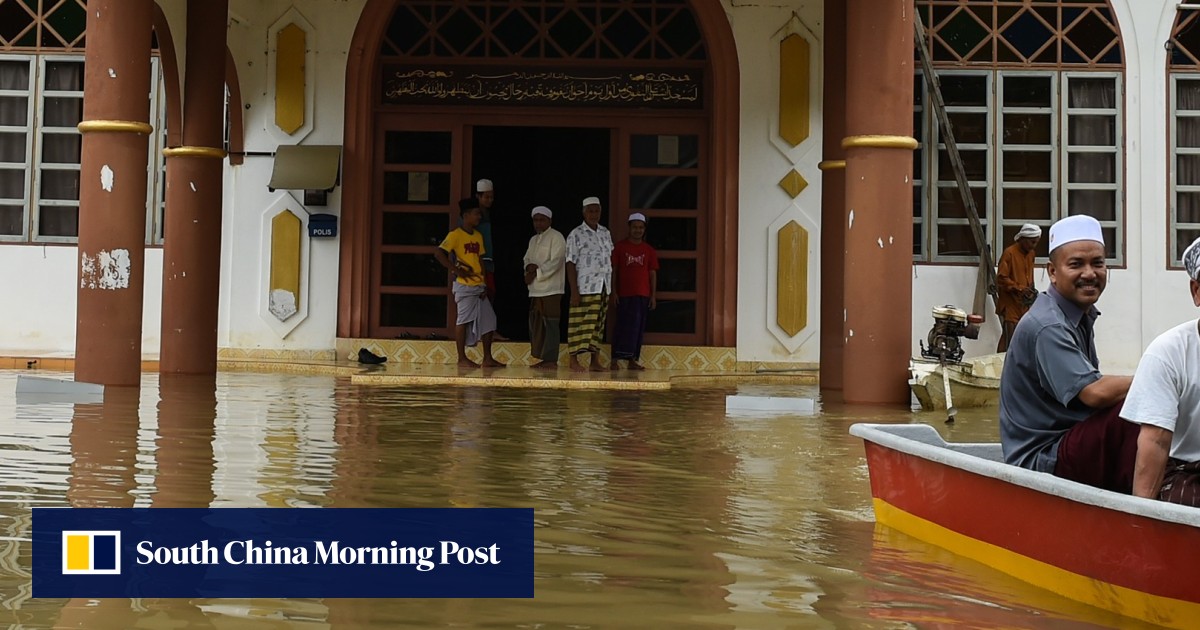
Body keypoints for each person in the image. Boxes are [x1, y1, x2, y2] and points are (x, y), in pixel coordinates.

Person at [999, 214, 1137, 493]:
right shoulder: (1047, 325)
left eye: (1097, 263)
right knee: (1137, 408)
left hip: (1067, 443)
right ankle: (1144, 507)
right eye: (1076, 264)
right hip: (1043, 460)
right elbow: (1094, 393)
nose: (1090, 273)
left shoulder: (1078, 315)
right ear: (1052, 271)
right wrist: (1162, 376)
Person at [1121, 237, 1200, 505]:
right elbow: (1156, 442)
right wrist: (1141, 521)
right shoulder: (1168, 352)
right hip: (1188, 471)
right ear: (1196, 291)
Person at [434, 198, 504, 368]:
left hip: (478, 286)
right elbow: (439, 253)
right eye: (476, 213)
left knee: (489, 320)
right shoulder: (455, 235)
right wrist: (456, 270)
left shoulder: (478, 236)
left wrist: (484, 282)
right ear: (466, 216)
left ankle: (487, 358)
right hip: (464, 286)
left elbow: (479, 259)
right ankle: (461, 359)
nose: (479, 216)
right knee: (463, 321)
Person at [565, 196, 614, 372]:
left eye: (597, 210)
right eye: (591, 211)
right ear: (584, 213)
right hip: (585, 287)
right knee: (578, 323)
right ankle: (573, 360)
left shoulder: (605, 233)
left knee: (598, 325)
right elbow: (570, 263)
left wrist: (612, 290)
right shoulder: (576, 234)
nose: (594, 214)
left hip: (603, 286)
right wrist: (574, 292)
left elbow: (610, 261)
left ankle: (594, 361)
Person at [610, 213, 658, 371]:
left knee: (637, 328)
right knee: (621, 326)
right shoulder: (619, 247)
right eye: (635, 227)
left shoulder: (649, 250)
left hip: (642, 295)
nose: (638, 230)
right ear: (629, 228)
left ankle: (632, 360)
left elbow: (652, 273)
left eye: (641, 227)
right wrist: (614, 292)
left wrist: (653, 296)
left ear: (644, 229)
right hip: (624, 294)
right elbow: (614, 271)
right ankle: (615, 360)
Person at [523, 205, 566, 370]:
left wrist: (537, 272)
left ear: (550, 220)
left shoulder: (557, 237)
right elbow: (526, 259)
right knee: (537, 324)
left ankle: (551, 360)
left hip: (552, 289)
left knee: (551, 324)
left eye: (542, 220)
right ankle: (542, 357)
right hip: (535, 289)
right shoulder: (533, 239)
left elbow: (556, 262)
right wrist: (528, 269)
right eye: (536, 220)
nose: (538, 223)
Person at [995, 223, 1042, 352]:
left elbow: (1029, 275)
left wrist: (1031, 291)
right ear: (1023, 239)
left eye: (1036, 242)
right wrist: (1019, 288)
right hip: (1010, 303)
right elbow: (1001, 278)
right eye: (1032, 242)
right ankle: (1004, 366)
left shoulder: (1031, 253)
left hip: (1024, 303)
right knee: (1010, 337)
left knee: (1023, 335)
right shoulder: (1009, 253)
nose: (1034, 245)